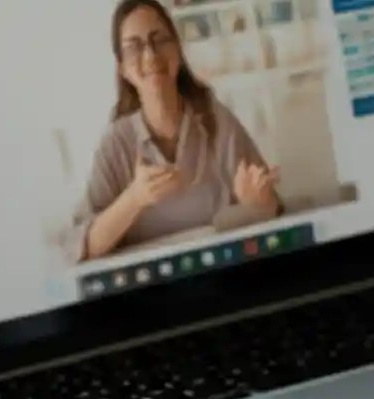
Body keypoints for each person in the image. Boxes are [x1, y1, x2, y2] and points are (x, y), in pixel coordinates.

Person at [68, 0, 282, 263]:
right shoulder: (115, 143)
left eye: (159, 40)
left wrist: (259, 203)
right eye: (135, 47)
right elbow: (83, 247)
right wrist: (135, 198)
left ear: (178, 52)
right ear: (122, 68)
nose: (150, 55)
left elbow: (272, 208)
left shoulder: (217, 120)